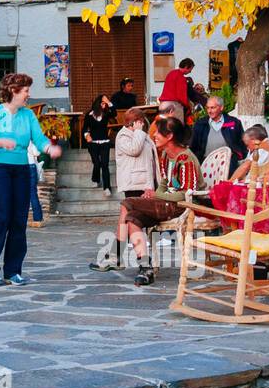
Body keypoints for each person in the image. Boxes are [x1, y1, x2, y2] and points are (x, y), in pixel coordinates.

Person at [0, 72, 62, 287]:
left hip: (22, 169)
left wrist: (48, 148)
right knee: (3, 215)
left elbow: (39, 139)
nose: (28, 94)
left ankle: (13, 271)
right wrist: (0, 141)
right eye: (25, 91)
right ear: (13, 91)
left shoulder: (28, 115)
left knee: (19, 218)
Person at [118, 117, 201, 286]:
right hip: (167, 204)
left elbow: (186, 194)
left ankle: (115, 253)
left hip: (181, 207)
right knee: (132, 218)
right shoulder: (165, 156)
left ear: (169, 136)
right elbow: (163, 185)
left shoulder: (185, 158)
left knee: (128, 202)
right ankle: (145, 268)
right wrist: (155, 194)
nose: (154, 135)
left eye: (157, 132)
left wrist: (158, 196)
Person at [89, 108, 157, 272]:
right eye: (141, 121)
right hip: (135, 183)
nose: (144, 124)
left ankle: (115, 256)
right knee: (127, 218)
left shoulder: (141, 135)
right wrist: (139, 132)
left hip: (143, 183)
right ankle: (116, 257)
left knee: (125, 217)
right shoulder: (124, 135)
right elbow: (135, 150)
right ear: (136, 121)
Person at [189, 95, 246, 178]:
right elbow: (193, 146)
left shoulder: (234, 122)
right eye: (207, 108)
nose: (209, 111)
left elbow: (242, 143)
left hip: (228, 164)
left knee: (226, 187)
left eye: (212, 108)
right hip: (206, 163)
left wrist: (237, 156)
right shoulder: (200, 124)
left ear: (221, 108)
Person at [83, 94, 113, 197]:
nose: (104, 105)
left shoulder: (107, 113)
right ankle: (95, 179)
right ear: (97, 104)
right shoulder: (89, 115)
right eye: (102, 103)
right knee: (97, 163)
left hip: (105, 143)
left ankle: (107, 187)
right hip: (93, 143)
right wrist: (87, 135)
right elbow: (84, 128)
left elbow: (115, 113)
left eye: (105, 104)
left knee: (105, 164)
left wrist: (108, 102)